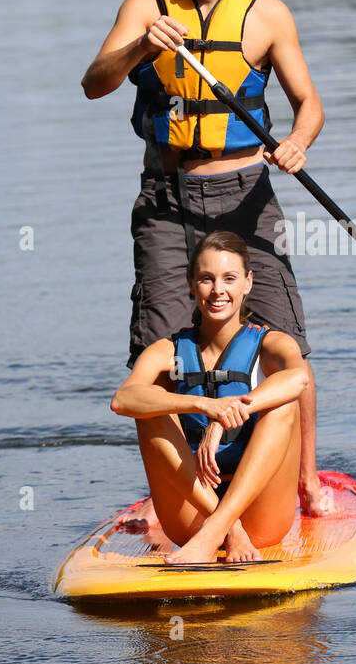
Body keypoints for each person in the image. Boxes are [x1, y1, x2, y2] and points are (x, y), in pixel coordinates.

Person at [82, 0, 332, 515]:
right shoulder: (146, 3)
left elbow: (309, 106)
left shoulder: (267, 13)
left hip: (246, 196)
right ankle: (179, 496)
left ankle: (305, 482)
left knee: (284, 343)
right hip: (166, 199)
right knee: (158, 350)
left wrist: (298, 143)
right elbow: (93, 84)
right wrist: (143, 45)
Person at [111, 232, 307, 566]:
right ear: (191, 284)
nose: (218, 291)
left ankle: (218, 529)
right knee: (150, 406)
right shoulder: (168, 350)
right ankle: (226, 530)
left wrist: (226, 416)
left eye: (229, 279)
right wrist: (201, 404)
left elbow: (299, 377)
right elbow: (123, 399)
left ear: (247, 283)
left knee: (283, 404)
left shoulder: (271, 343)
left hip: (260, 515)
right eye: (206, 279)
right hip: (191, 515)